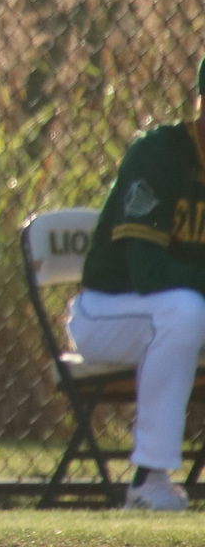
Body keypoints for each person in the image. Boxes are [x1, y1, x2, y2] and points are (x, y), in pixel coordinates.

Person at [68, 55, 205, 511]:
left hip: (176, 311)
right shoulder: (160, 155)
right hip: (107, 312)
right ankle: (149, 481)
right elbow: (148, 275)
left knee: (186, 310)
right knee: (184, 312)